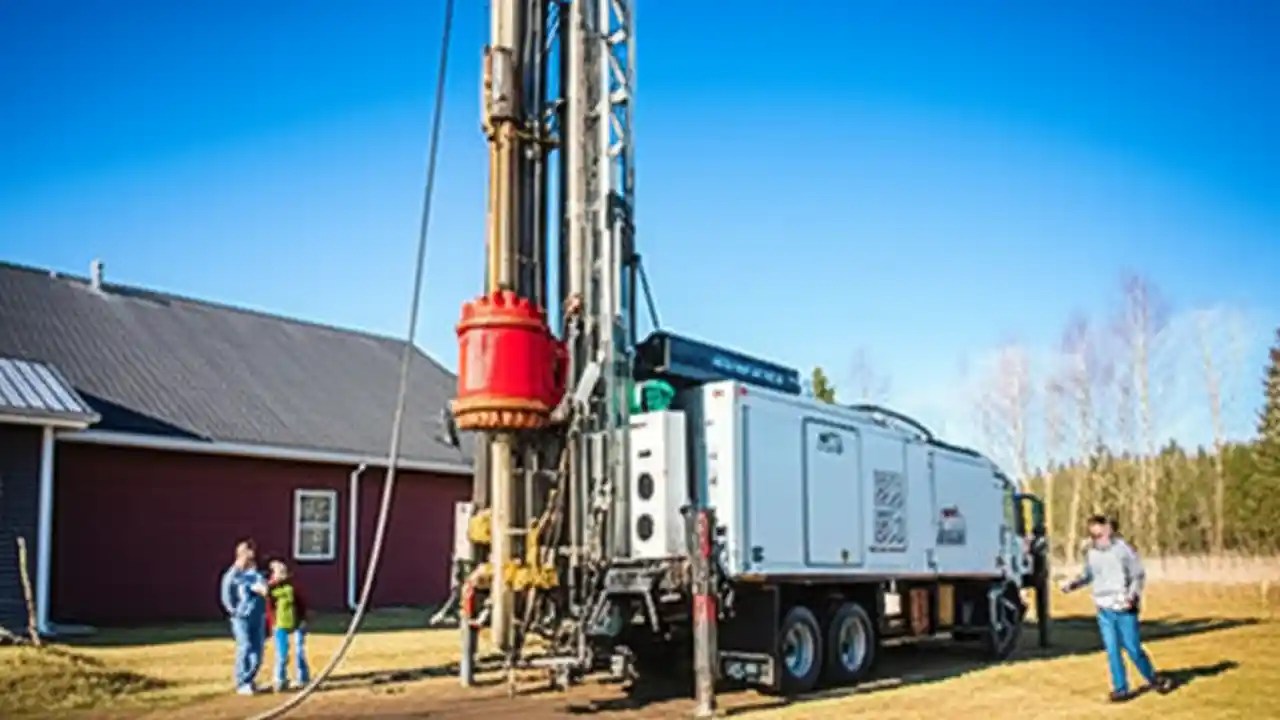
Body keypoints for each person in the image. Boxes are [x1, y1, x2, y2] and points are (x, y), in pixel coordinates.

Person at [1060, 515, 1175, 702]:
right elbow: (1088, 575)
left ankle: (1154, 680)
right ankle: (1121, 689)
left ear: (1109, 529)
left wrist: (1132, 596)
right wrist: (1073, 585)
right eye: (1094, 534)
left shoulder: (1124, 550)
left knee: (1132, 648)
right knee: (1112, 649)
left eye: (1101, 532)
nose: (1099, 537)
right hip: (1104, 607)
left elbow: (1138, 576)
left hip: (1124, 606)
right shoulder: (1091, 553)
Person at [220, 539, 268, 695]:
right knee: (245, 646)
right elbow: (226, 593)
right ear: (240, 554)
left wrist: (262, 588)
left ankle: (250, 679)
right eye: (248, 553)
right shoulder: (232, 575)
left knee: (258, 651)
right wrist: (234, 611)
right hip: (242, 618)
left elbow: (264, 589)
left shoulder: (255, 574)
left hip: (257, 616)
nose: (251, 555)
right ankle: (242, 682)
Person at [263, 558, 311, 691]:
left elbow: (301, 604)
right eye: (278, 572)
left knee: (299, 651)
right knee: (282, 653)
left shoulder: (293, 588)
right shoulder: (270, 591)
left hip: (296, 623)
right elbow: (269, 605)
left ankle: (303, 678)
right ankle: (279, 679)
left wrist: (302, 620)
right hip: (280, 625)